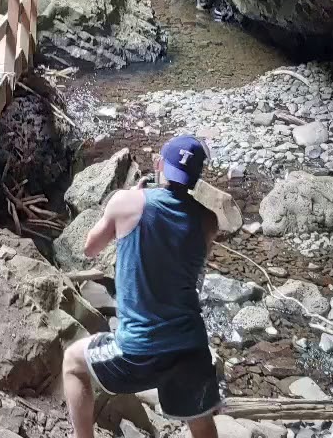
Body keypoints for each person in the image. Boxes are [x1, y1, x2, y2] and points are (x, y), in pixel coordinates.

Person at [61, 135, 221, 438]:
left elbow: (89, 248)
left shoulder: (127, 202)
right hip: (191, 349)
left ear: (159, 165)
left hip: (138, 351)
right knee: (199, 419)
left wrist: (124, 201)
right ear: (197, 177)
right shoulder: (209, 221)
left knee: (73, 361)